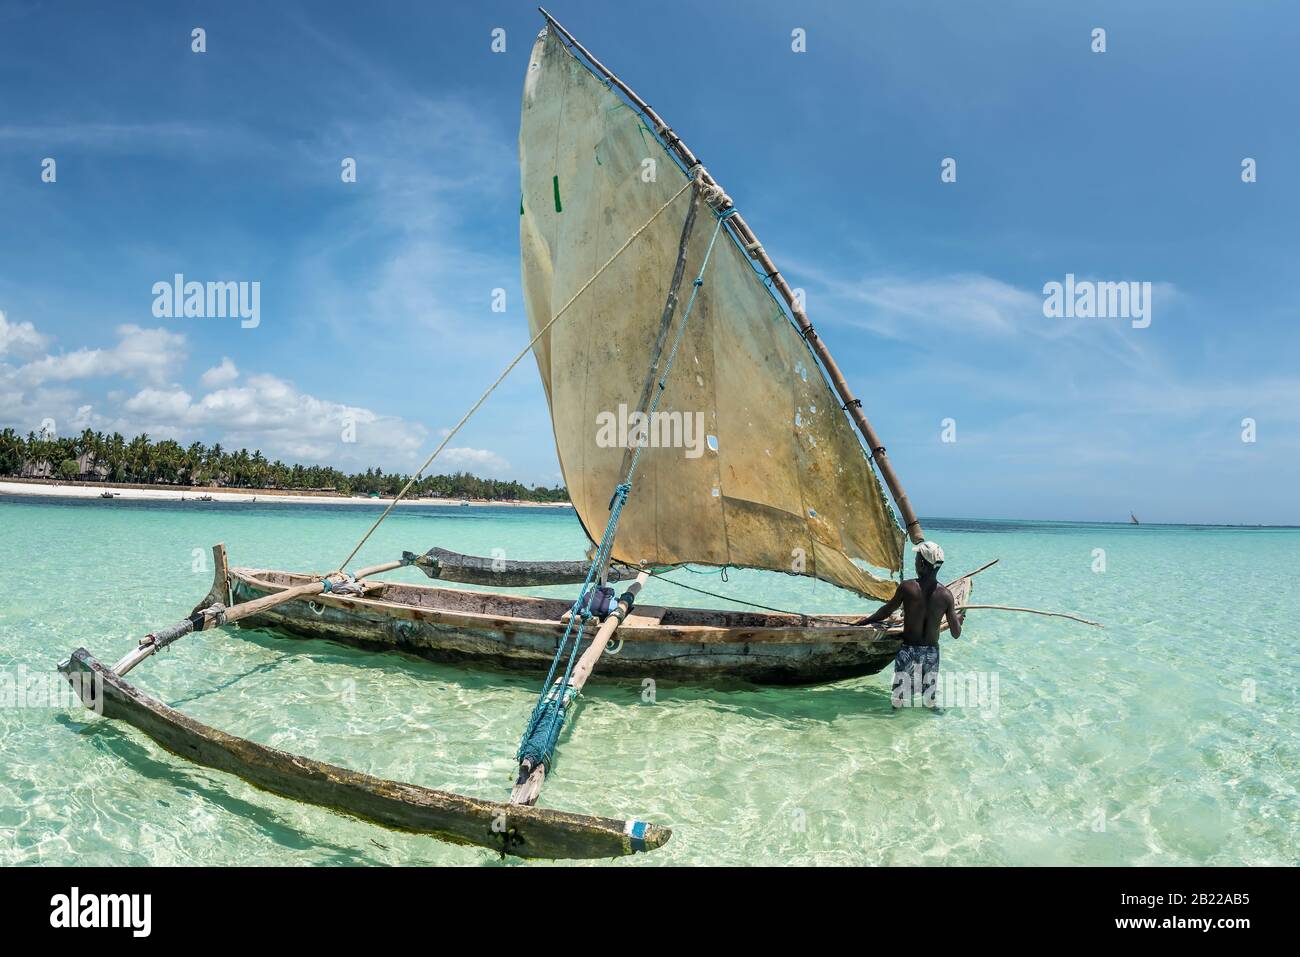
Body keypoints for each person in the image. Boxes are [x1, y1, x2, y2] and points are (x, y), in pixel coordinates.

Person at [856, 541, 962, 708]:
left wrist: (867, 621)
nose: (914, 562)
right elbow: (956, 634)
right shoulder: (946, 595)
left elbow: (886, 611)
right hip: (931, 653)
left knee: (898, 700)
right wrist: (957, 620)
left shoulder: (908, 587)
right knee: (929, 700)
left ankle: (895, 726)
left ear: (921, 563)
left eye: (916, 558)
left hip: (909, 651)